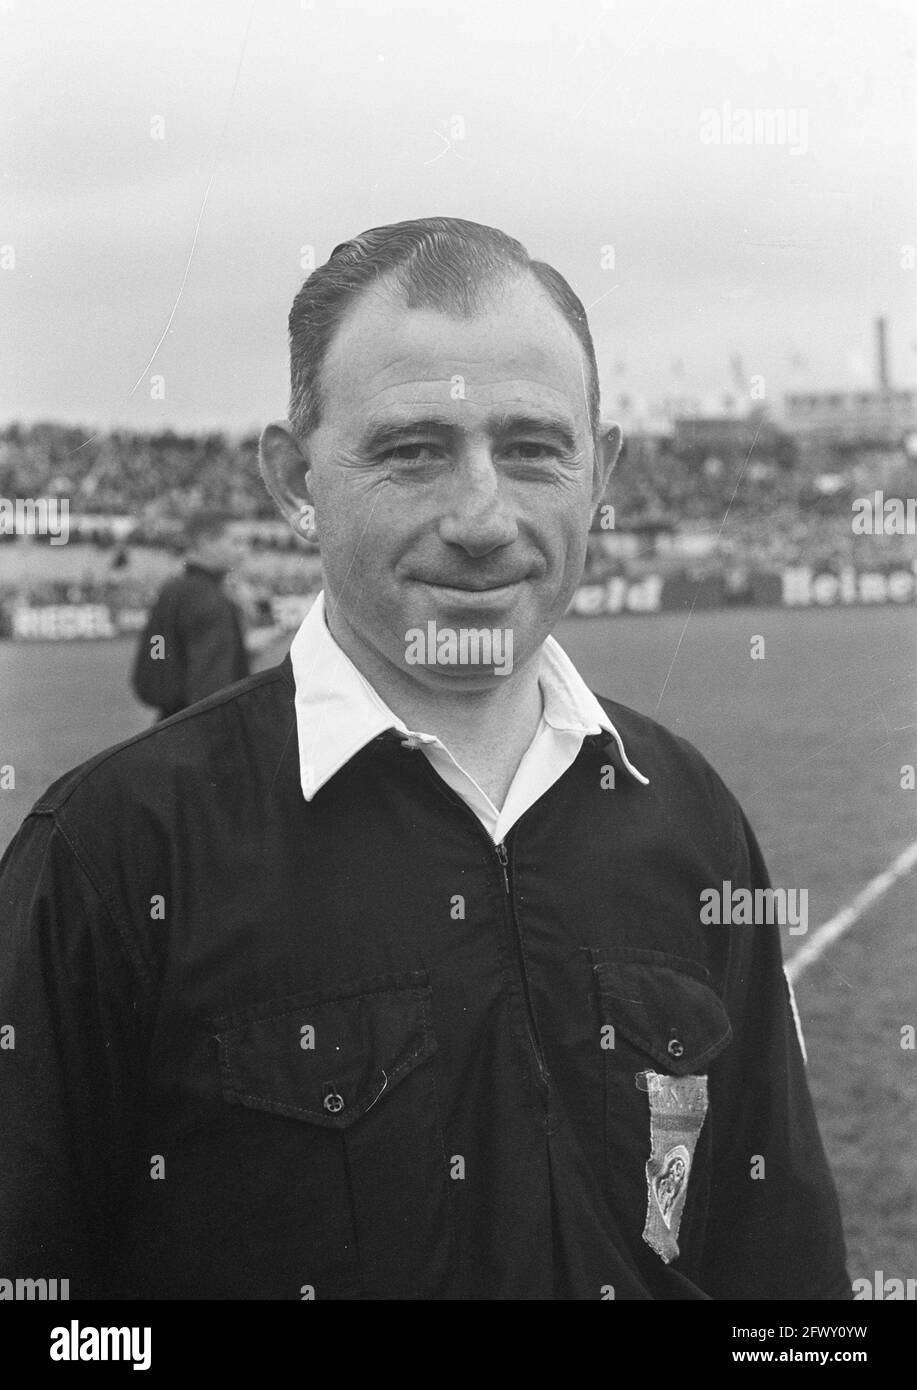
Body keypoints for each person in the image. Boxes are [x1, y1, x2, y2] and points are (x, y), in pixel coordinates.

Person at [0, 217, 851, 1300]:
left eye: (535, 448)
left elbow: (778, 1263)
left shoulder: (687, 816)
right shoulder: (112, 854)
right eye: (412, 451)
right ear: (291, 476)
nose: (482, 518)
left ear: (604, 470)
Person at [130, 511, 250, 719]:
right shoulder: (210, 599)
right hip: (198, 731)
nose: (242, 551)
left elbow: (161, 653)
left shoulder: (173, 591)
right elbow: (211, 687)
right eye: (235, 542)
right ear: (206, 542)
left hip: (169, 723)